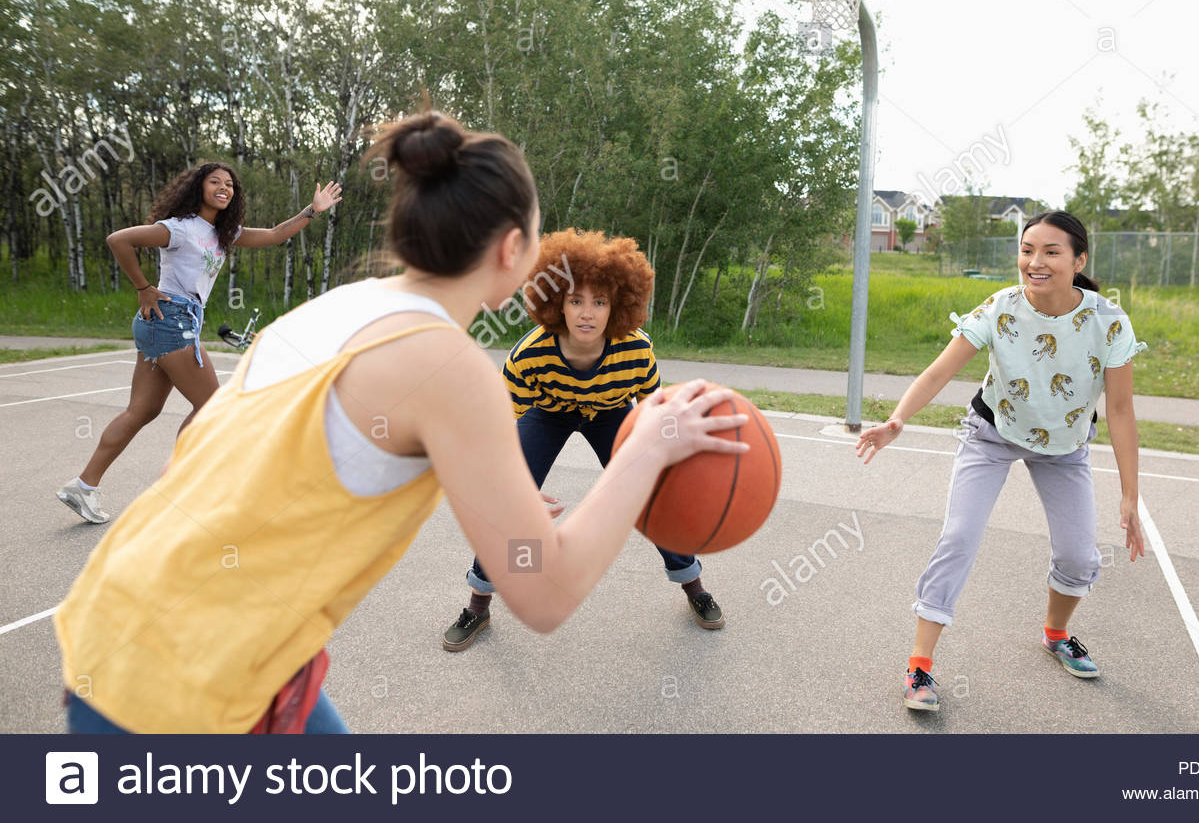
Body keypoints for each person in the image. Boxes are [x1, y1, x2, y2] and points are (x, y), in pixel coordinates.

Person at [54, 111, 748, 733]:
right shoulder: (452, 367)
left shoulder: (335, 310)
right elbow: (546, 593)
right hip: (181, 686)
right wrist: (646, 449)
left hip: (128, 620)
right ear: (512, 250)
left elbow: (221, 454)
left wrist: (466, 474)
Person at [854, 210, 1146, 712]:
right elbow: (937, 372)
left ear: (1078, 260)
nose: (1035, 261)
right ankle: (920, 667)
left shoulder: (1108, 321)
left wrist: (1130, 494)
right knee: (959, 536)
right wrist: (897, 420)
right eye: (1027, 249)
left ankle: (1056, 634)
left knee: (1080, 557)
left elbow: (1119, 410)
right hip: (993, 432)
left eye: (1051, 252)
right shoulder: (999, 308)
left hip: (1065, 445)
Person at [442, 228, 724, 652]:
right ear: (557, 304)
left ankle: (694, 587)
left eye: (600, 302)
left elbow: (655, 415)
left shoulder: (636, 351)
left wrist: (667, 461)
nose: (587, 313)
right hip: (549, 411)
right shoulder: (528, 355)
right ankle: (477, 606)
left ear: (618, 306)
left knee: (652, 497)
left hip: (611, 412)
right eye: (576, 301)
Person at [54, 162, 342, 524]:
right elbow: (119, 240)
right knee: (212, 407)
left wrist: (312, 211)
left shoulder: (221, 232)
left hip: (163, 324)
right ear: (198, 187)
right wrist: (144, 288)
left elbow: (273, 234)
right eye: (215, 182)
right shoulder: (180, 228)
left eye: (230, 184)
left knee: (141, 411)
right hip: (170, 320)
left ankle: (83, 487)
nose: (224, 188)